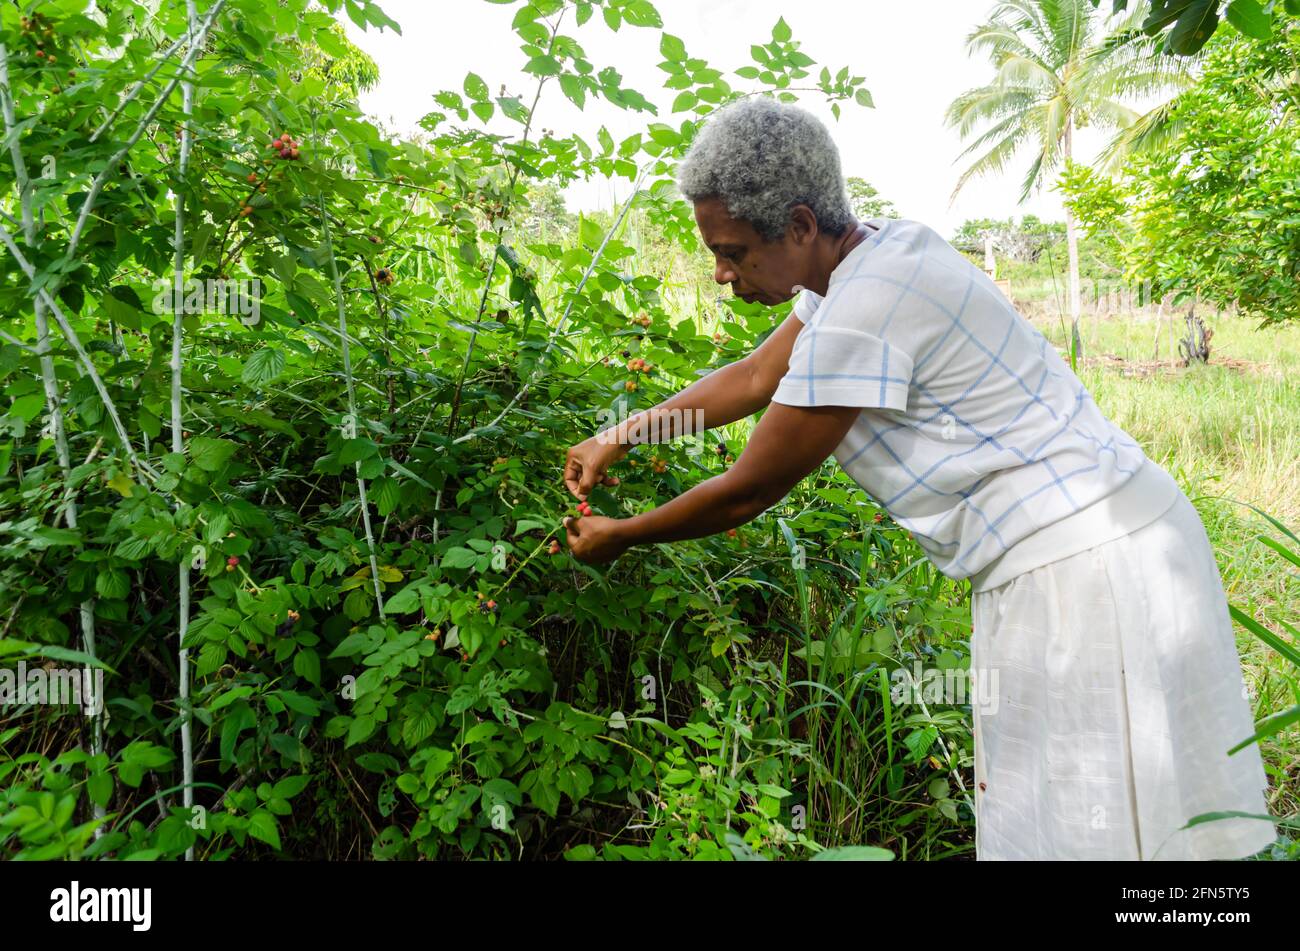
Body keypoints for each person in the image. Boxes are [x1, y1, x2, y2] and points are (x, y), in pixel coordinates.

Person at [559, 96, 1277, 861]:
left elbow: (750, 487)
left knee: (1082, 833)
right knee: (1136, 833)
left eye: (733, 251)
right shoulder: (879, 254)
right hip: (1118, 532)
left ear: (801, 225)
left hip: (1080, 569)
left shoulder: (865, 309)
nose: (720, 274)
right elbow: (757, 376)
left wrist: (624, 536)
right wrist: (626, 433)